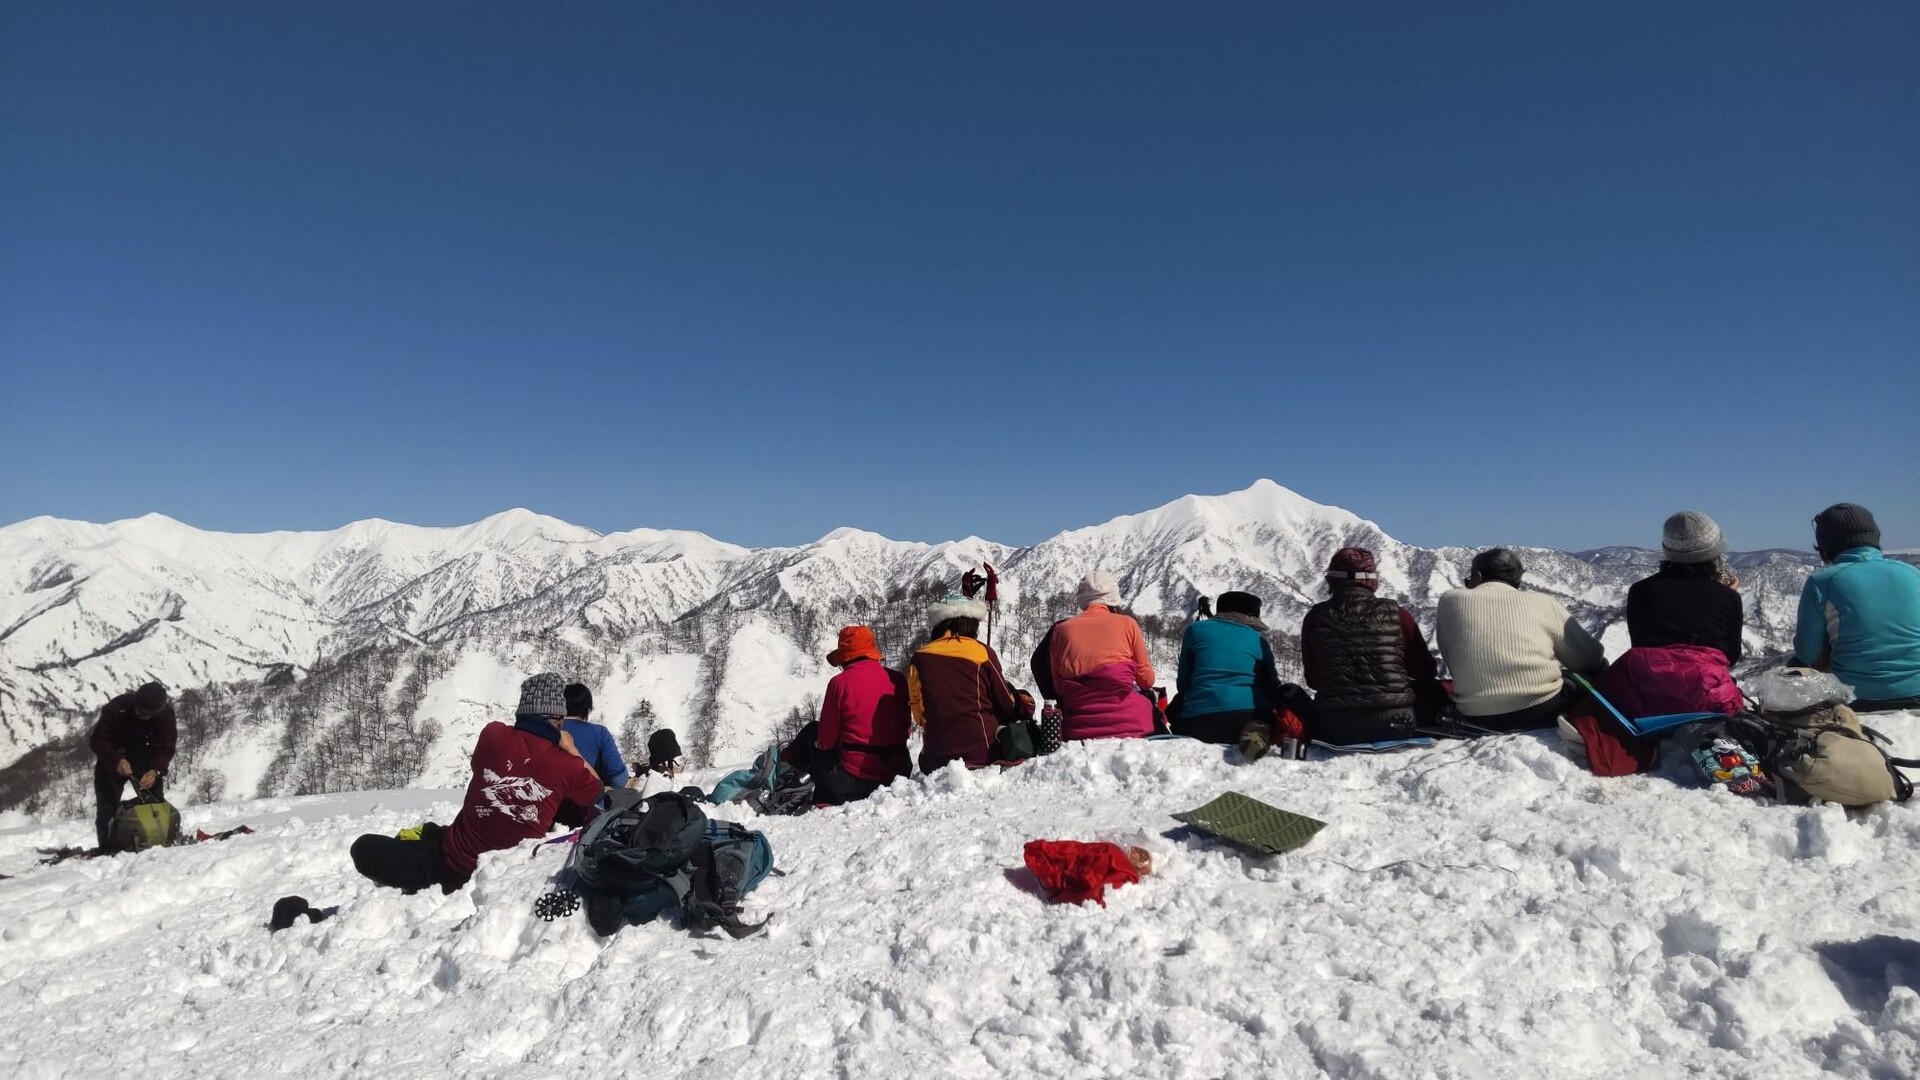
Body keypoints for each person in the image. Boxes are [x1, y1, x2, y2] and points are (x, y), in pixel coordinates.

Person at [349, 672, 602, 893]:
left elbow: (482, 768)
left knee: (363, 848)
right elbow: (598, 791)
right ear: (558, 720)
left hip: (448, 863)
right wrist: (571, 748)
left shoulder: (493, 735)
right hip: (498, 875)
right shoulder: (568, 766)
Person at [1435, 548, 1607, 732]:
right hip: (1542, 709)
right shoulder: (1543, 602)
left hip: (1473, 715)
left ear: (1477, 576)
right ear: (1517, 580)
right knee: (1593, 674)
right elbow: (1589, 658)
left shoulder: (1449, 600)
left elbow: (1449, 654)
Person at [1608, 511, 1746, 717]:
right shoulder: (1727, 597)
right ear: (1714, 551)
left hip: (1648, 695)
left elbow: (1640, 646)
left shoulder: (1641, 591)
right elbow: (1730, 656)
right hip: (1705, 697)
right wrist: (1723, 597)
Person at [1301, 548, 1444, 745]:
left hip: (1335, 726)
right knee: (1434, 688)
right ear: (1372, 580)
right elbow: (1425, 671)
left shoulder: (1315, 617)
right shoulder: (1397, 613)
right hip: (1397, 722)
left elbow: (1314, 680)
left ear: (1332, 581)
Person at [1793, 503, 1920, 712]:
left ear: (1825, 544)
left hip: (1856, 697)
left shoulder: (1823, 581)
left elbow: (1807, 653)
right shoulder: (1913, 574)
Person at [1030, 571, 1157, 741]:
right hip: (1134, 725)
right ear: (1113, 597)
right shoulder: (1128, 624)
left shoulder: (1061, 630)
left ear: (1082, 599)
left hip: (1078, 728)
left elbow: (1058, 687)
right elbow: (1146, 680)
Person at [910, 594, 1030, 772]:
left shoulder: (919, 658)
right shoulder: (981, 652)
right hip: (981, 753)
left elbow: (919, 716)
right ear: (970, 623)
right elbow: (1007, 704)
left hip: (934, 759)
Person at [1171, 591, 1294, 744]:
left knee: (1177, 705)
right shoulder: (1259, 641)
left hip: (1199, 720)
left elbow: (1183, 683)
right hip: (1250, 719)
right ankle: (1255, 738)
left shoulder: (1195, 630)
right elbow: (1272, 685)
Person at [812, 625, 912, 805]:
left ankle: (822, 799)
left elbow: (826, 741)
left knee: (811, 735)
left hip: (855, 779)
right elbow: (906, 727)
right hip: (899, 772)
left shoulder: (839, 683)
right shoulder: (897, 679)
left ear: (844, 658)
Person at [88, 681, 176, 851]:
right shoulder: (116, 708)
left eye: (145, 714)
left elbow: (167, 746)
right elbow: (97, 740)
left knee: (154, 804)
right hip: (112, 760)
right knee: (107, 808)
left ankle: (155, 840)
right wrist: (116, 761)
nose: (139, 714)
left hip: (147, 762)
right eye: (138, 710)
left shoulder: (166, 716)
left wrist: (155, 770)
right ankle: (108, 848)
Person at [562, 682, 631, 792]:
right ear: (588, 709)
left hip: (548, 802)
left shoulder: (548, 730)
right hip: (588, 802)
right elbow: (619, 780)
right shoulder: (599, 733)